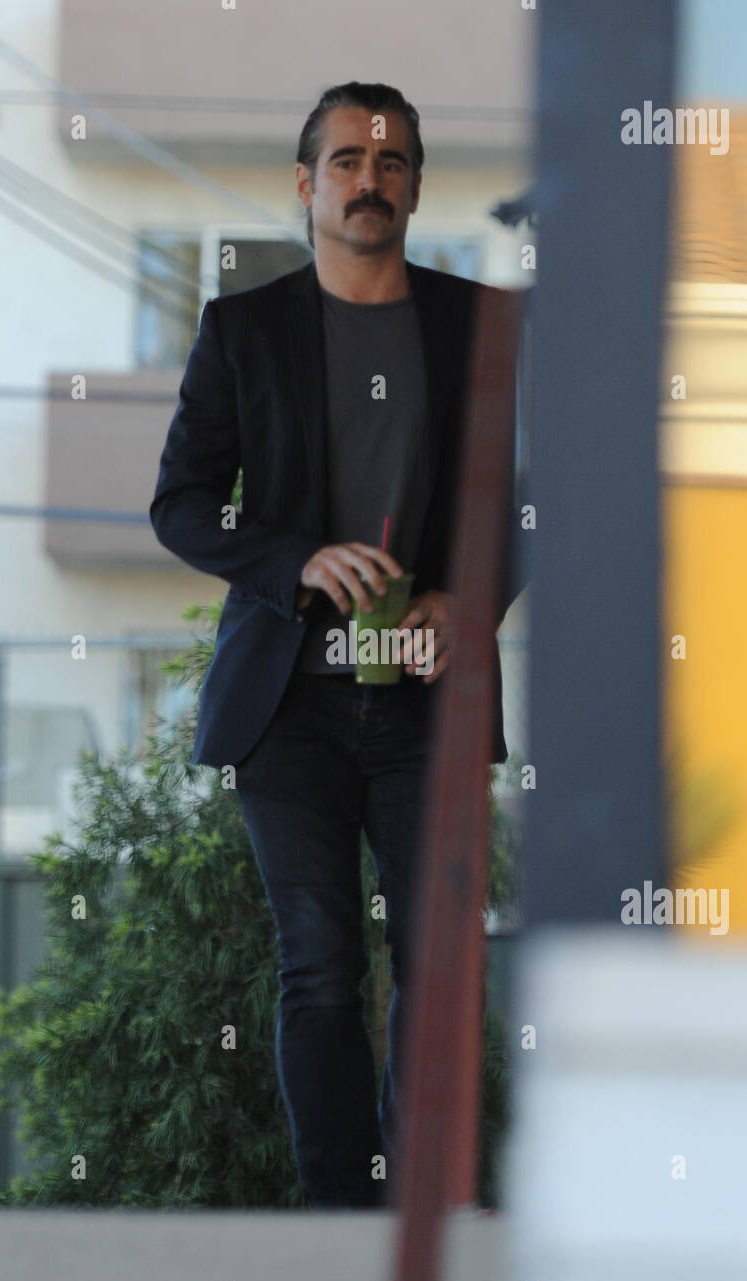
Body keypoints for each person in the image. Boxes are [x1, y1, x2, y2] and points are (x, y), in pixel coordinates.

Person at [151, 81, 526, 1209]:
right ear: (307, 183)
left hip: (432, 703)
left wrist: (465, 602)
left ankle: (422, 1216)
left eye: (394, 161)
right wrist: (294, 561)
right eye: (349, 161)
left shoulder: (483, 327)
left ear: (414, 185)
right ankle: (339, 1226)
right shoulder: (242, 330)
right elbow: (182, 504)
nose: (373, 180)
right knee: (319, 964)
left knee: (440, 970)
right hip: (288, 709)